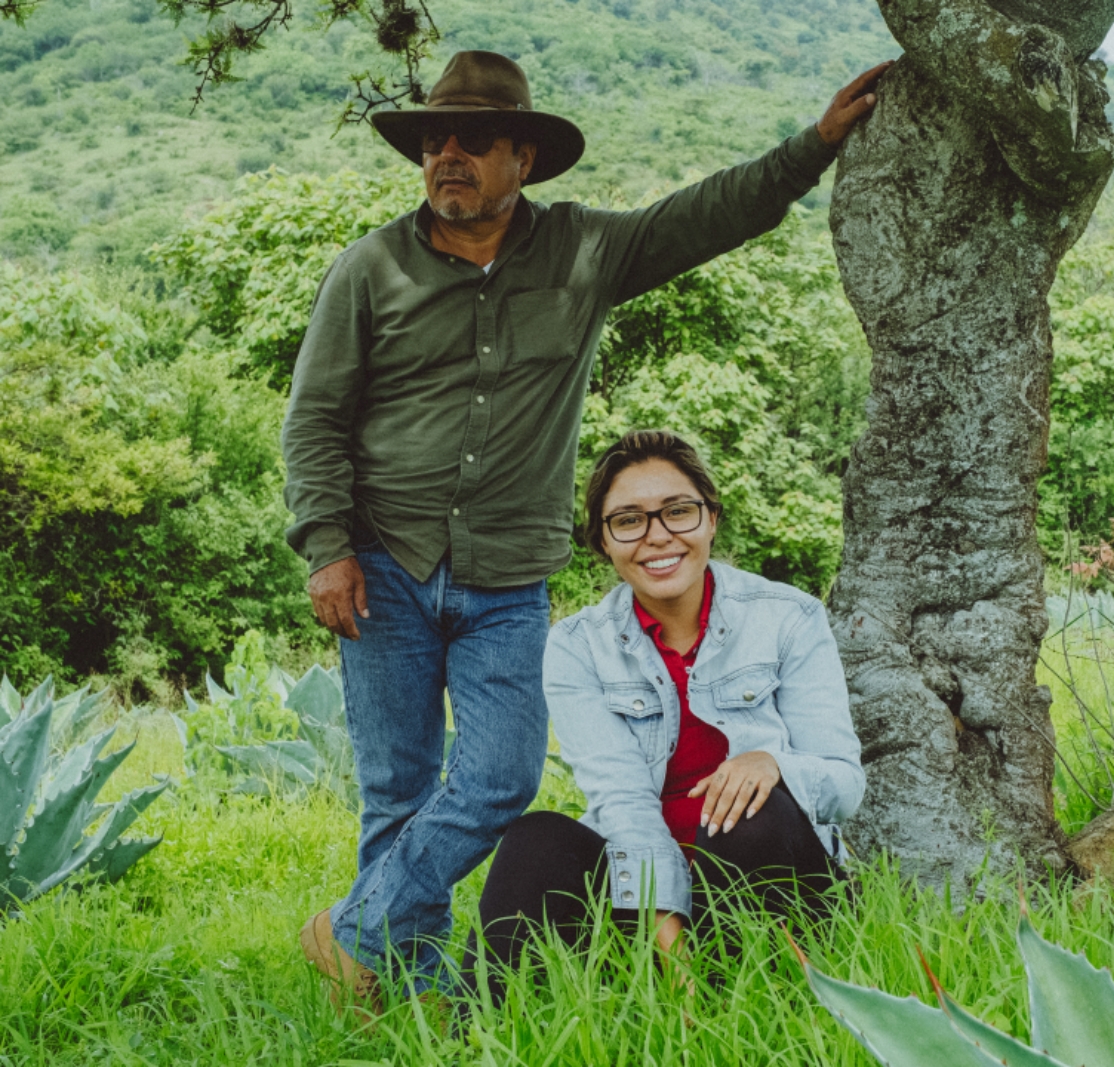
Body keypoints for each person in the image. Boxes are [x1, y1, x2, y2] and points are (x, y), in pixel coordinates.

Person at [283, 50, 889, 1008]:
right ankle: (398, 987)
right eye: (435, 140)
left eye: (474, 140)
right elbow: (314, 417)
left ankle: (351, 930)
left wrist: (813, 146)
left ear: (522, 156)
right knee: (398, 788)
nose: (448, 155)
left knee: (498, 778)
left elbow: (704, 216)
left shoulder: (583, 251)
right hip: (382, 561)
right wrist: (325, 547)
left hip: (506, 576)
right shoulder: (370, 269)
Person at [464, 430, 863, 1003]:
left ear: (711, 519)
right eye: (628, 521)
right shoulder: (577, 646)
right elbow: (623, 804)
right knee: (536, 838)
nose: (657, 536)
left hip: (771, 880)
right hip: (645, 895)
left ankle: (767, 993)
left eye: (678, 511)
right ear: (604, 541)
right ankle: (475, 1031)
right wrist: (678, 975)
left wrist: (773, 764)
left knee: (744, 811)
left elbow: (844, 785)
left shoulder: (789, 617)